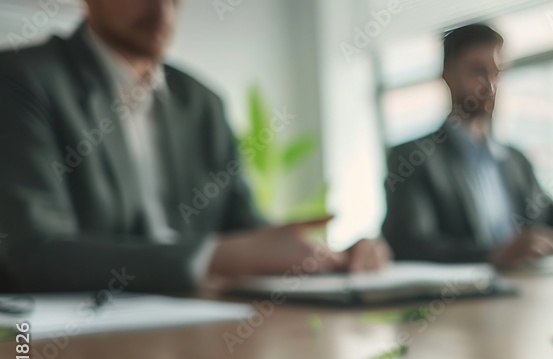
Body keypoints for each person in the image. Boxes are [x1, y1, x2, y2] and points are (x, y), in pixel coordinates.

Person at [0, 0, 390, 294]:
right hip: (72, 345)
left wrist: (328, 257)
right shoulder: (23, 81)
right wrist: (210, 258)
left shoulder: (202, 102)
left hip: (201, 324)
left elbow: (243, 229)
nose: (162, 7)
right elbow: (35, 250)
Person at [381, 24, 553, 267]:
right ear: (448, 75)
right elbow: (410, 246)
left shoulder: (516, 161)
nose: (490, 85)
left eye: (496, 72)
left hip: (528, 292)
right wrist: (494, 255)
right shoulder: (413, 158)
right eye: (477, 71)